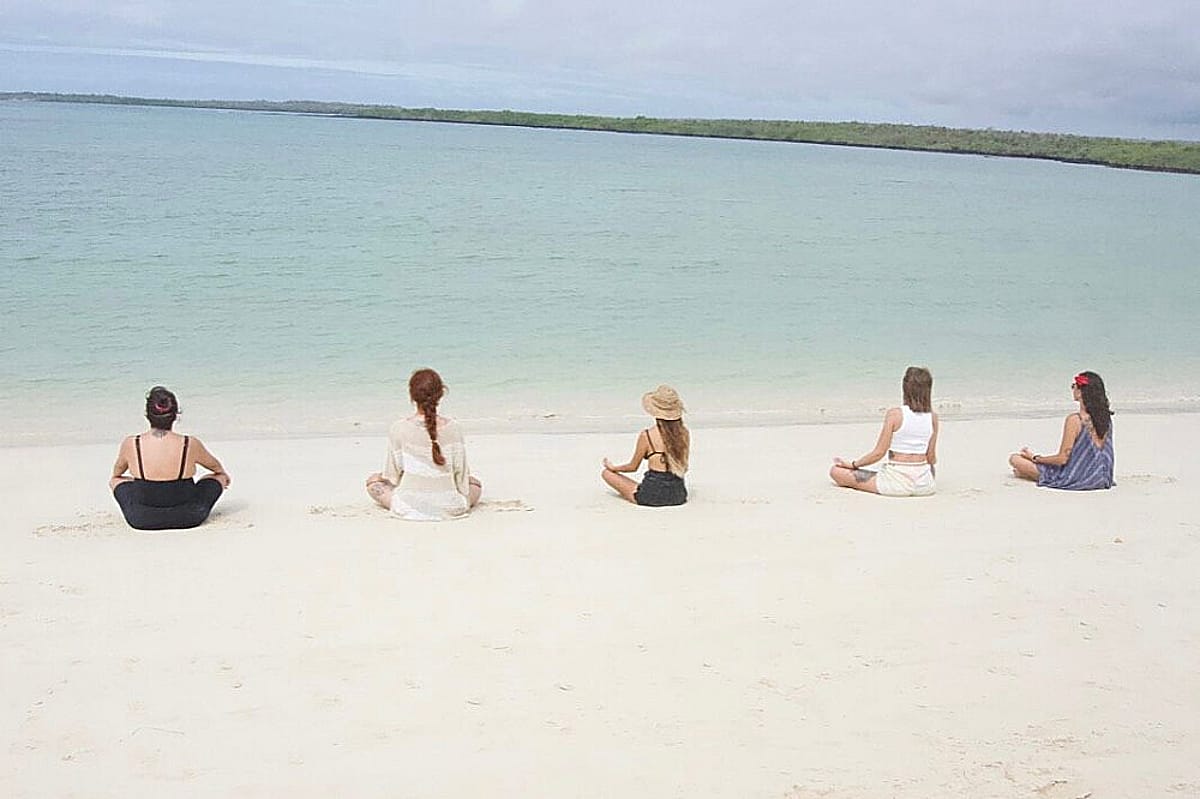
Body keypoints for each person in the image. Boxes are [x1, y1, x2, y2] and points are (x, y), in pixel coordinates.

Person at [365, 368, 482, 521]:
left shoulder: (399, 428)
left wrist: (380, 476)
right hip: (450, 507)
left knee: (372, 483)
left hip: (408, 507)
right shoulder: (454, 427)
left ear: (412, 396)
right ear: (441, 393)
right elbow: (460, 475)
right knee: (475, 484)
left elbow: (394, 475)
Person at [109, 386, 231, 530]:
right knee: (219, 477)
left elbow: (117, 474)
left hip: (141, 518)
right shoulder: (189, 443)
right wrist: (224, 475)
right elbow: (216, 467)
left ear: (148, 415)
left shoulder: (131, 443)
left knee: (116, 481)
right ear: (175, 415)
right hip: (189, 516)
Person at [830, 366, 939, 496]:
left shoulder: (895, 414)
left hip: (896, 484)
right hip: (925, 485)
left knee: (835, 471)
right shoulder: (933, 417)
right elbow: (931, 458)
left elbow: (878, 453)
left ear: (905, 388)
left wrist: (853, 464)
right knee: (928, 468)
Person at [1009, 371, 1114, 490]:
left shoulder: (1075, 420)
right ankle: (1026, 473)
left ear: (1080, 392)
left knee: (1015, 459)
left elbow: (1062, 459)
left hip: (1079, 477)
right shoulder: (1106, 419)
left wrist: (1035, 458)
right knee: (1024, 466)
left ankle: (1029, 474)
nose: (1072, 389)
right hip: (1101, 477)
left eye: (1073, 386)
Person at [601, 385, 690, 506]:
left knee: (607, 474)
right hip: (678, 495)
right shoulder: (684, 433)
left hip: (651, 495)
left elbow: (633, 467)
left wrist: (613, 468)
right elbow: (684, 467)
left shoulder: (647, 435)